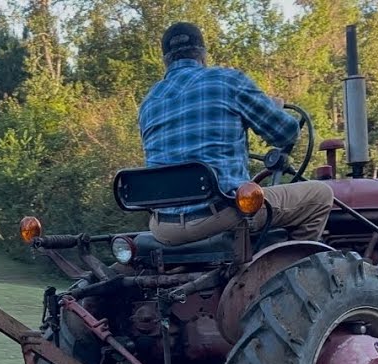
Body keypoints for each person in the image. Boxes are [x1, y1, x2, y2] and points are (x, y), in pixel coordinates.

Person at [138, 22, 334, 246]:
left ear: (165, 61)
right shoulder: (227, 81)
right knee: (321, 195)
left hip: (165, 228)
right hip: (221, 216)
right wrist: (274, 108)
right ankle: (291, 267)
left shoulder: (149, 102)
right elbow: (287, 133)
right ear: (203, 55)